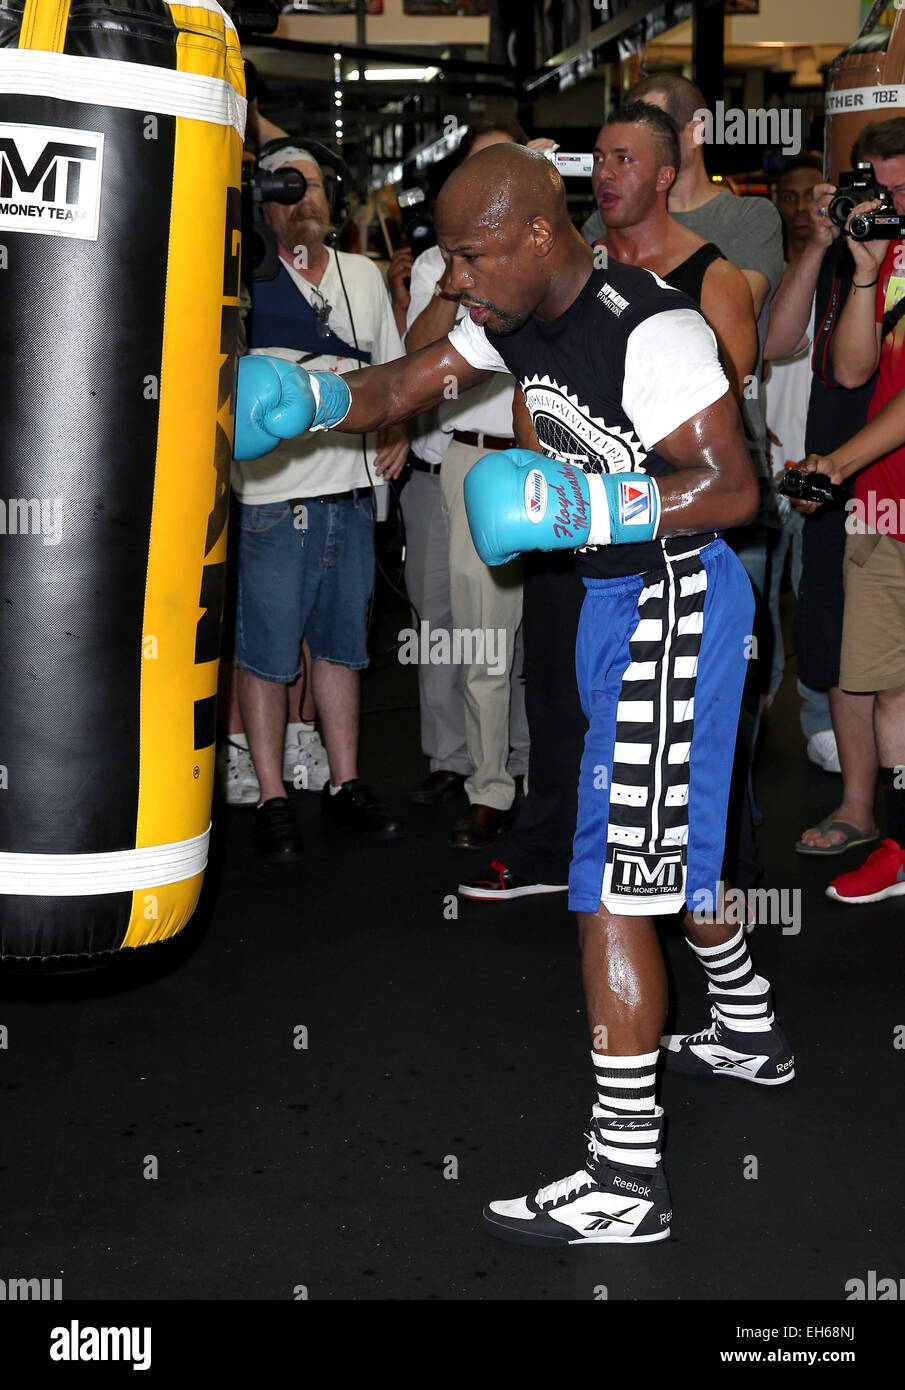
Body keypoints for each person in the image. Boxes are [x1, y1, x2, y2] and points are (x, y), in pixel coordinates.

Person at [235, 144, 794, 1244]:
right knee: (654, 842)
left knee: (607, 885)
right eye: (452, 256)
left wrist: (587, 511)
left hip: (674, 602)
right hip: (610, 606)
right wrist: (303, 397)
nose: (459, 277)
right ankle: (747, 1024)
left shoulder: (655, 331)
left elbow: (732, 489)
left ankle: (626, 1179)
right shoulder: (509, 314)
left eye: (475, 254)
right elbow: (405, 384)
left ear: (539, 232)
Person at [232, 142, 410, 862]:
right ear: (264, 201)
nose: (302, 200)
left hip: (346, 493)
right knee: (268, 653)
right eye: (287, 187)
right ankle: (273, 795)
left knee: (340, 649)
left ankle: (344, 783)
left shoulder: (362, 276)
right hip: (273, 496)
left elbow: (393, 371)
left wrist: (396, 423)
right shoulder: (242, 280)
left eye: (313, 189)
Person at [404, 116, 531, 847]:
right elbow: (415, 359)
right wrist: (461, 268)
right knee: (479, 641)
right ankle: (488, 786)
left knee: (546, 641)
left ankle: (546, 772)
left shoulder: (553, 254)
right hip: (473, 459)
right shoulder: (441, 265)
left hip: (551, 460)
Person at [796, 118, 905, 902]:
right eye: (880, 189)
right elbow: (849, 367)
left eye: (901, 190)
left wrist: (835, 462)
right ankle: (895, 841)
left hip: (870, 488)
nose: (889, 204)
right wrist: (864, 273)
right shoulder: (878, 256)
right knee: (887, 684)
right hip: (879, 510)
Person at [763, 157, 840, 772]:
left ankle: (819, 719)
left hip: (819, 470)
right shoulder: (764, 280)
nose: (796, 210)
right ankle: (754, 714)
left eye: (807, 199)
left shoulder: (842, 276)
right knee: (752, 608)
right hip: (762, 470)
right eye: (786, 199)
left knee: (816, 603)